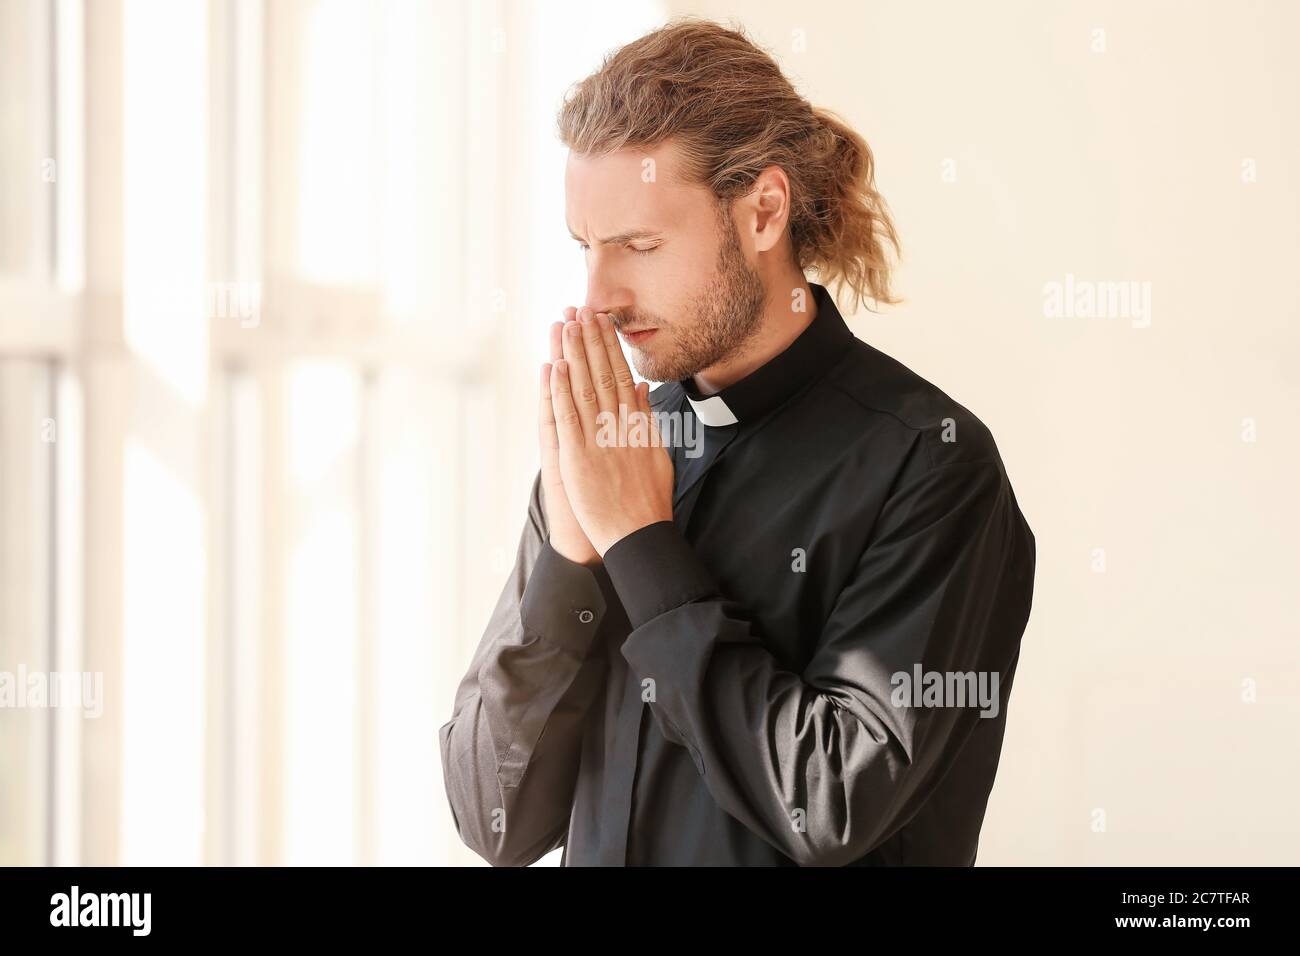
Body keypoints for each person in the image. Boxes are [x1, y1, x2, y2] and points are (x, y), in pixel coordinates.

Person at [439, 18, 1036, 866]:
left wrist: (641, 547)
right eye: (586, 248)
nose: (599, 295)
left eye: (640, 245)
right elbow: (492, 819)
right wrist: (573, 559)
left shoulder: (932, 466)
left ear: (762, 210)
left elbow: (830, 803)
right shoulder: (606, 449)